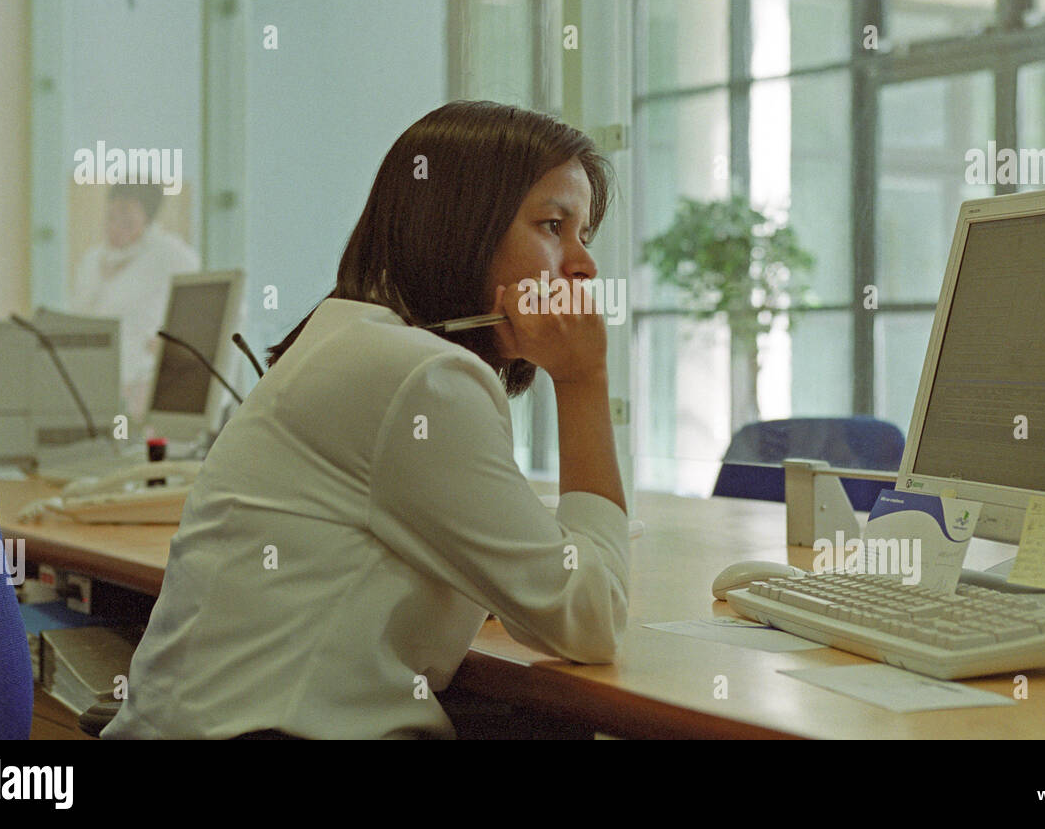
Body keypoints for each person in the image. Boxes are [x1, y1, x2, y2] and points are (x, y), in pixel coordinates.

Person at [101, 101, 629, 739]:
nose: (583, 265)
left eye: (583, 236)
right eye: (553, 225)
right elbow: (592, 620)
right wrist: (582, 381)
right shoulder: (421, 377)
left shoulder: (355, 338)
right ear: (460, 227)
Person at [71, 181, 200, 419]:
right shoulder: (92, 260)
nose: (115, 227)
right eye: (111, 217)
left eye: (127, 221)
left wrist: (169, 348)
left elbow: (198, 311)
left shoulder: (172, 256)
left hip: (144, 380)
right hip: (91, 378)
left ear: (148, 219)